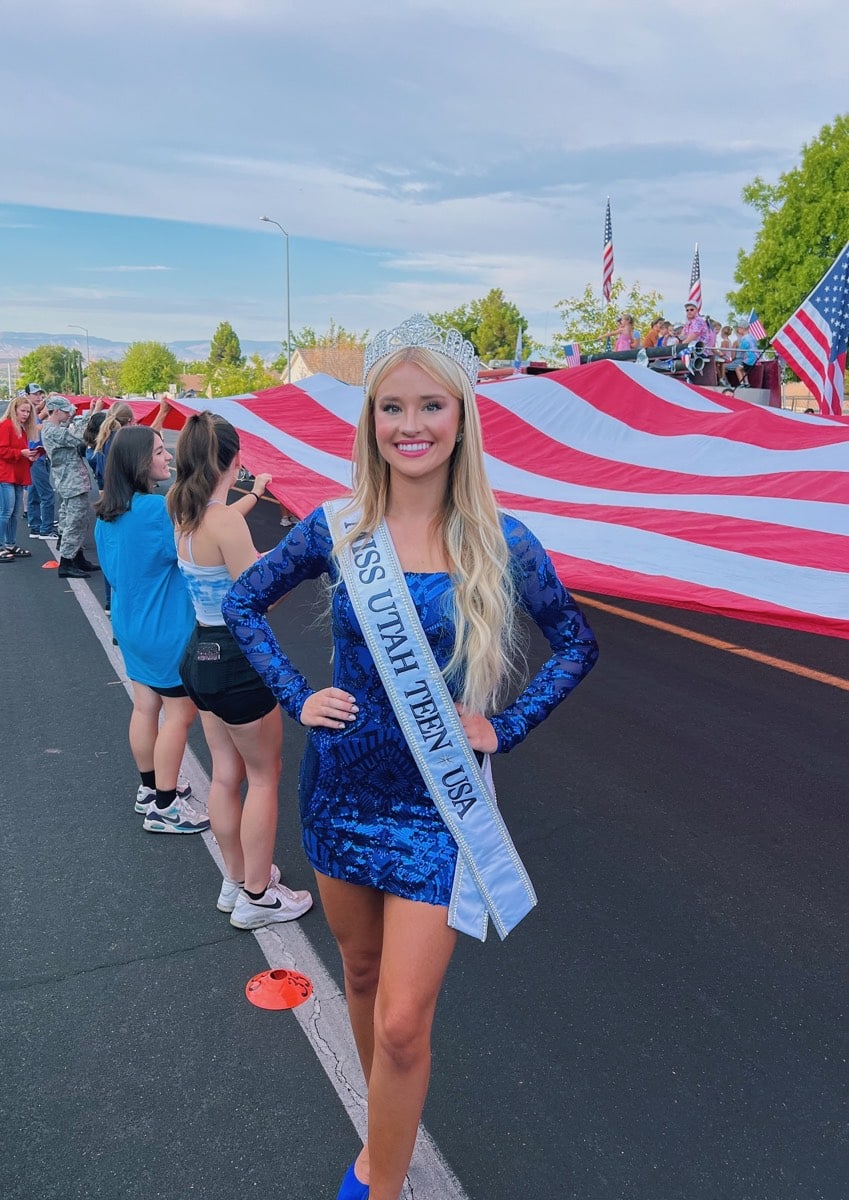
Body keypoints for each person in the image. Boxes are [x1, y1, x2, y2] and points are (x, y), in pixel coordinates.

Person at [223, 314, 599, 1200]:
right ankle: (382, 1135)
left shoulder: (502, 542)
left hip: (435, 809)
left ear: (462, 418)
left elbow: (576, 645)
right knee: (357, 974)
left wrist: (502, 727)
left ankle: (376, 1185)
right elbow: (243, 603)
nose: (411, 424)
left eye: (431, 405)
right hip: (342, 792)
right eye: (392, 407)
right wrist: (296, 693)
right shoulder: (336, 526)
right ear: (371, 423)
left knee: (400, 1024)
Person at [167, 413, 313, 928]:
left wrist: (255, 504)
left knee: (226, 774)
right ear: (231, 460)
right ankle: (259, 896)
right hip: (237, 660)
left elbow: (227, 544)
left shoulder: (181, 509)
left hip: (201, 655)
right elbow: (258, 601)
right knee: (264, 777)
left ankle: (235, 881)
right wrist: (290, 560)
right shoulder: (224, 522)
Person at [94, 426, 207, 833]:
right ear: (140, 462)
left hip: (130, 624)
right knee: (180, 714)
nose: (168, 458)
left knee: (145, 706)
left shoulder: (107, 512)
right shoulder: (156, 510)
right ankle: (167, 805)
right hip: (164, 629)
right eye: (160, 451)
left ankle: (149, 789)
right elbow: (196, 548)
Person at [39, 395, 99, 579]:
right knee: (75, 521)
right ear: (56, 411)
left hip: (71, 481)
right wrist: (93, 413)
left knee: (77, 519)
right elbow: (77, 437)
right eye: (66, 411)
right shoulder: (51, 430)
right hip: (71, 482)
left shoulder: (54, 428)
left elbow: (68, 430)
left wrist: (79, 415)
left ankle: (77, 557)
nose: (69, 414)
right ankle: (66, 562)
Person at [0, 393, 39, 563]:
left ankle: (10, 543)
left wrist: (29, 457)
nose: (25, 414)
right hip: (3, 475)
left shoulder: (21, 430)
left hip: (16, 474)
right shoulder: (6, 426)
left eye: (28, 412)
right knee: (5, 511)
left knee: (14, 513)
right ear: (14, 410)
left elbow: (15, 452)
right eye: (23, 411)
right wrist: (21, 453)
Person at [22, 384, 56, 542]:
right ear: (27, 395)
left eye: (40, 394)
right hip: (36, 456)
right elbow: (35, 427)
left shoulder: (31, 411)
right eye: (35, 394)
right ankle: (46, 529)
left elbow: (39, 416)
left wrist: (47, 402)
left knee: (34, 492)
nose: (38, 397)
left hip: (37, 456)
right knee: (47, 494)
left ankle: (36, 525)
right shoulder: (27, 412)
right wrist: (52, 422)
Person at [725, 320, 758, 388]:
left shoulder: (745, 338)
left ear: (742, 329)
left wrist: (739, 346)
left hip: (749, 358)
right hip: (754, 357)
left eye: (739, 328)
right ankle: (747, 383)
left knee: (738, 369)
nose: (738, 330)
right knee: (743, 370)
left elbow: (743, 348)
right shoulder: (752, 337)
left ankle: (741, 383)